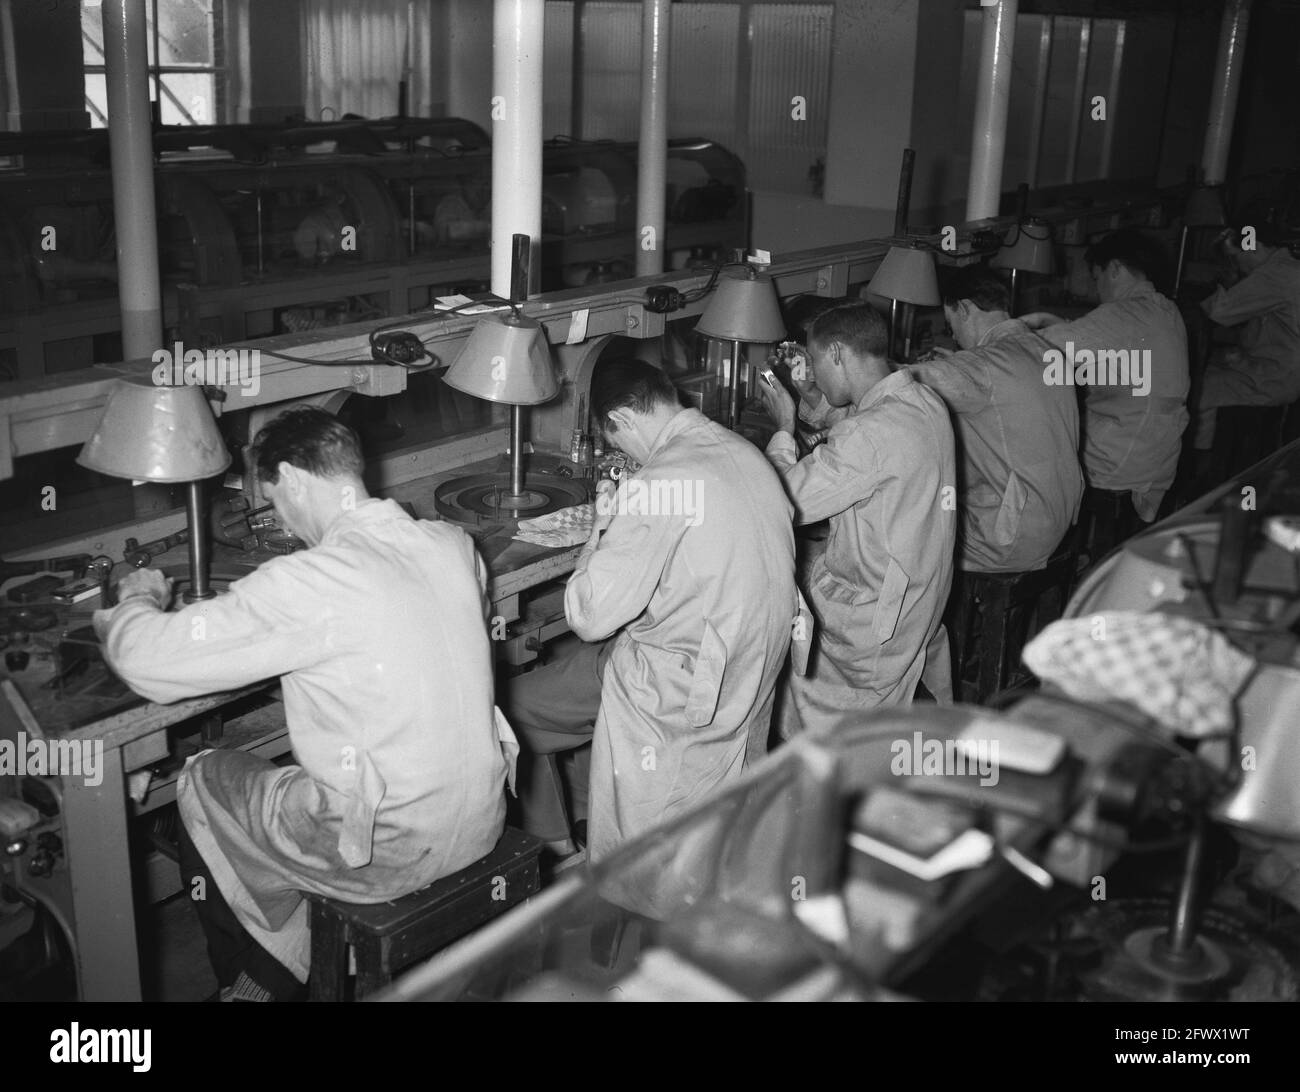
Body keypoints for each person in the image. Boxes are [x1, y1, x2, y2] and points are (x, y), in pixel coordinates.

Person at [94, 408, 515, 1001]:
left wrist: (135, 598)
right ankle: (290, 958)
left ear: (290, 478)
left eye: (271, 502)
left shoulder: (310, 581)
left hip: (386, 852)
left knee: (203, 777)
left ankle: (255, 983)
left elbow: (146, 663)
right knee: (296, 788)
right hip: (480, 819)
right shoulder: (452, 543)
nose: (281, 519)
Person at [503, 358, 797, 884]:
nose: (623, 455)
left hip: (684, 693)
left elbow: (588, 614)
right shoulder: (743, 452)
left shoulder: (661, 482)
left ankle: (566, 864)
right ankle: (567, 830)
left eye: (615, 441)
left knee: (511, 708)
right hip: (749, 670)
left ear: (622, 419)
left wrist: (603, 525)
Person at [758, 299, 957, 732]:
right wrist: (816, 398)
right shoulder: (923, 400)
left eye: (814, 360)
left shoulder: (869, 436)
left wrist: (782, 427)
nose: (811, 370)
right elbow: (865, 421)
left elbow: (778, 503)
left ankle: (809, 779)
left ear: (836, 354)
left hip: (874, 630)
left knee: (768, 625)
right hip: (920, 599)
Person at [1021, 228, 1190, 552]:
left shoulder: (1125, 313)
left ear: (1115, 269)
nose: (1098, 289)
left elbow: (1040, 354)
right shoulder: (1165, 310)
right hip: (1156, 452)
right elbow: (1109, 356)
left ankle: (1052, 559)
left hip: (1121, 457)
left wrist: (1006, 330)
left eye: (1098, 278)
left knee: (1026, 460)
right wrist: (1053, 320)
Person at [909, 266, 1082, 574]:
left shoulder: (982, 365)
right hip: (1060, 514)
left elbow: (899, 381)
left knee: (908, 529)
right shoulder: (1046, 350)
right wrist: (955, 364)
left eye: (951, 327)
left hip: (1017, 536)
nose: (956, 339)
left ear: (964, 308)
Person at [1192, 221, 1300, 452]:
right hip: (1276, 365)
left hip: (1278, 377)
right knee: (1209, 370)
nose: (1238, 266)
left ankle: (1198, 463)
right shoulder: (1287, 266)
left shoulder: (1274, 275)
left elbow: (1218, 311)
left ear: (1254, 246)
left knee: (1200, 389)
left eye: (1236, 258)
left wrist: (1227, 276)